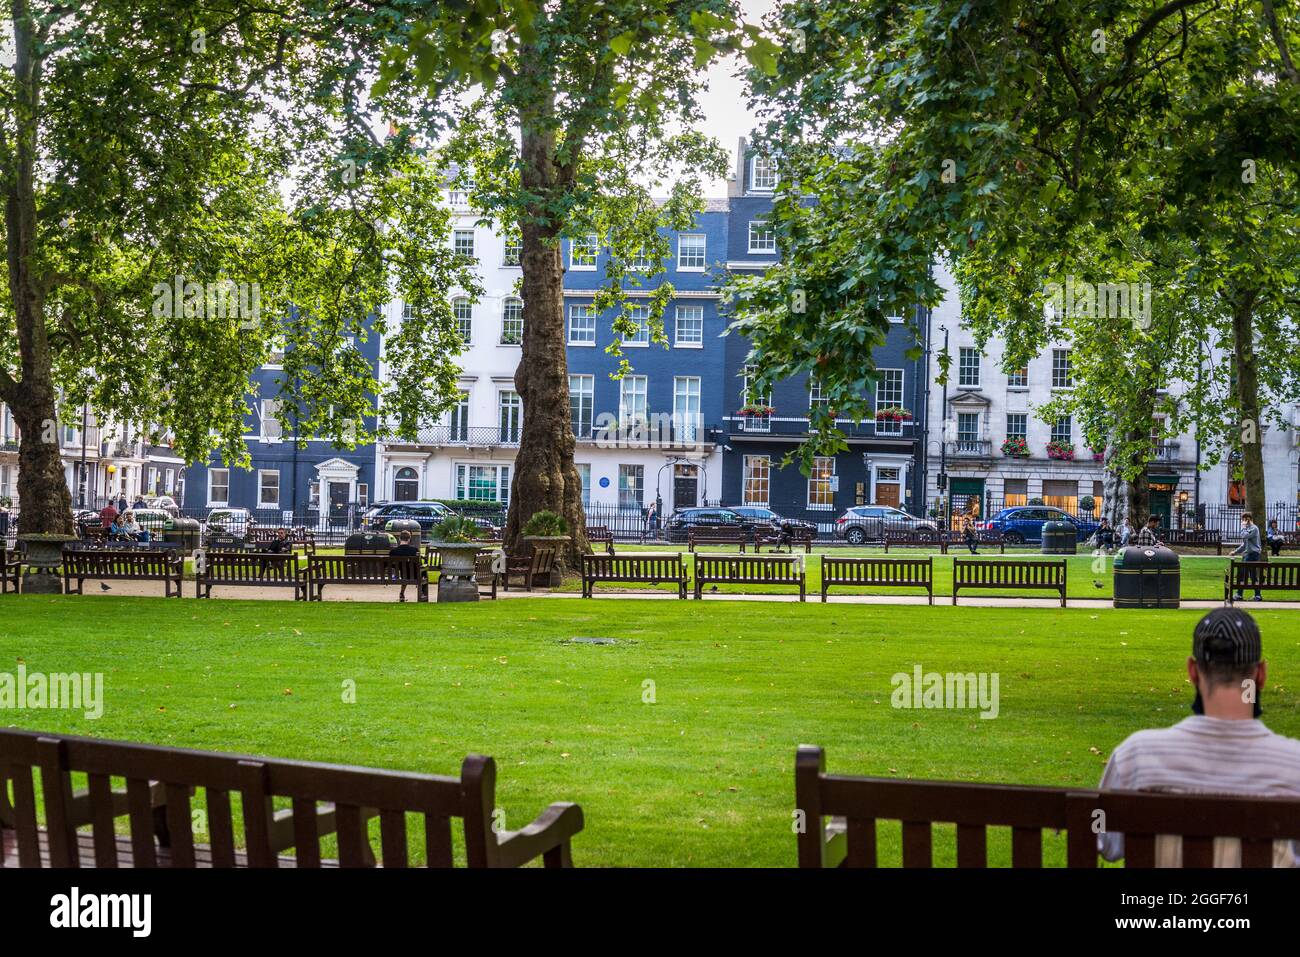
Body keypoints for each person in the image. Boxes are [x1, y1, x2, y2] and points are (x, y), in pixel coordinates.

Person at [1097, 609, 1300, 866]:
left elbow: (1104, 841)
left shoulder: (1136, 756)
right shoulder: (1293, 765)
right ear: (1260, 675)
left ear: (1193, 671)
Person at [1229, 512, 1263, 602]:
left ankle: (1241, 594)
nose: (1242, 521)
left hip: (1252, 554)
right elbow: (1244, 544)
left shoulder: (1254, 528)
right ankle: (1257, 595)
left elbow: (1244, 535)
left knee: (1245, 575)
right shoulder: (1248, 529)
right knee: (1248, 575)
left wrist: (1243, 527)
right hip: (1247, 554)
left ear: (1248, 519)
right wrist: (1235, 552)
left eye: (1244, 519)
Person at [389, 530, 421, 603]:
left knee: (404, 573)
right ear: (409, 539)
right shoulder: (414, 550)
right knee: (422, 573)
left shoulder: (393, 551)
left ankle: (402, 593)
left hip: (402, 574)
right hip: (414, 575)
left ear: (399, 539)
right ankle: (422, 593)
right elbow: (419, 563)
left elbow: (390, 564)